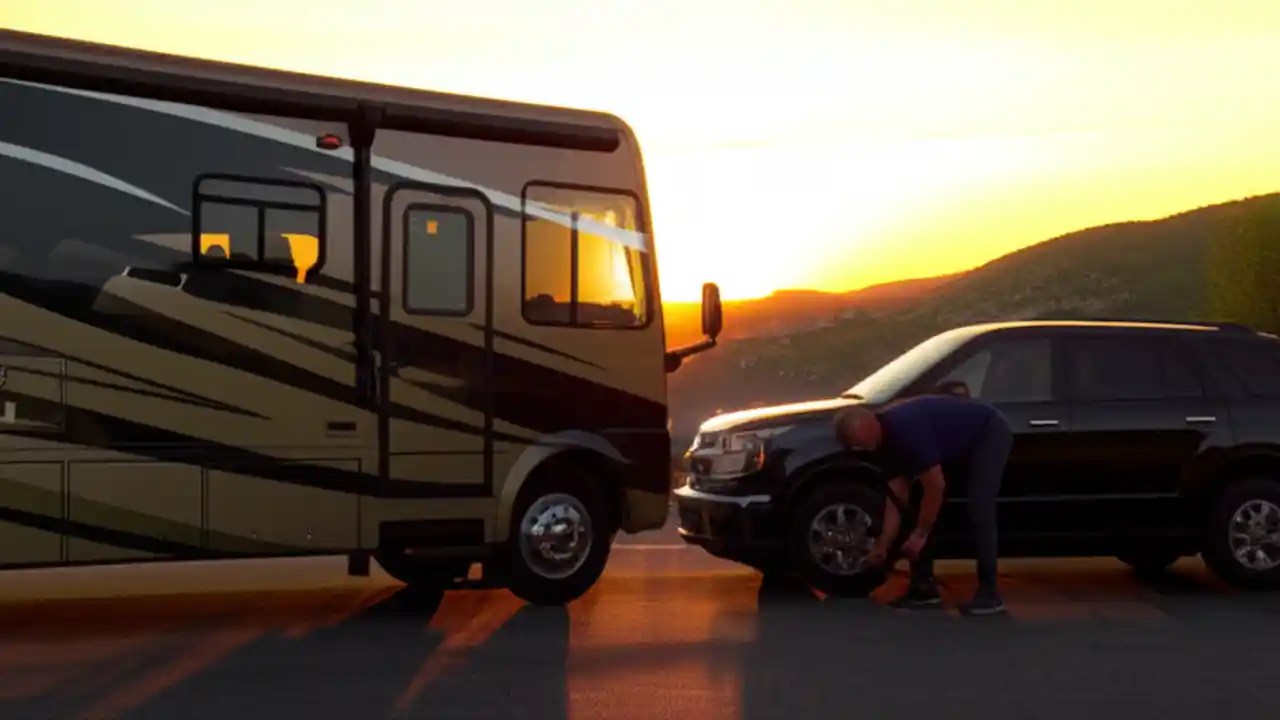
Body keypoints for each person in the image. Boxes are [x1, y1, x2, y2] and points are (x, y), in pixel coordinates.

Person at [833, 394, 1013, 616]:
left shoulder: (906, 429)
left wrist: (920, 534)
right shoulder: (879, 446)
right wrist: (883, 545)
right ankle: (923, 589)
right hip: (952, 445)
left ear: (872, 422)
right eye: (856, 446)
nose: (862, 448)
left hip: (987, 432)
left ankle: (990, 594)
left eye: (862, 440)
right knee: (918, 506)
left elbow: (935, 486)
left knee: (979, 506)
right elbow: (897, 497)